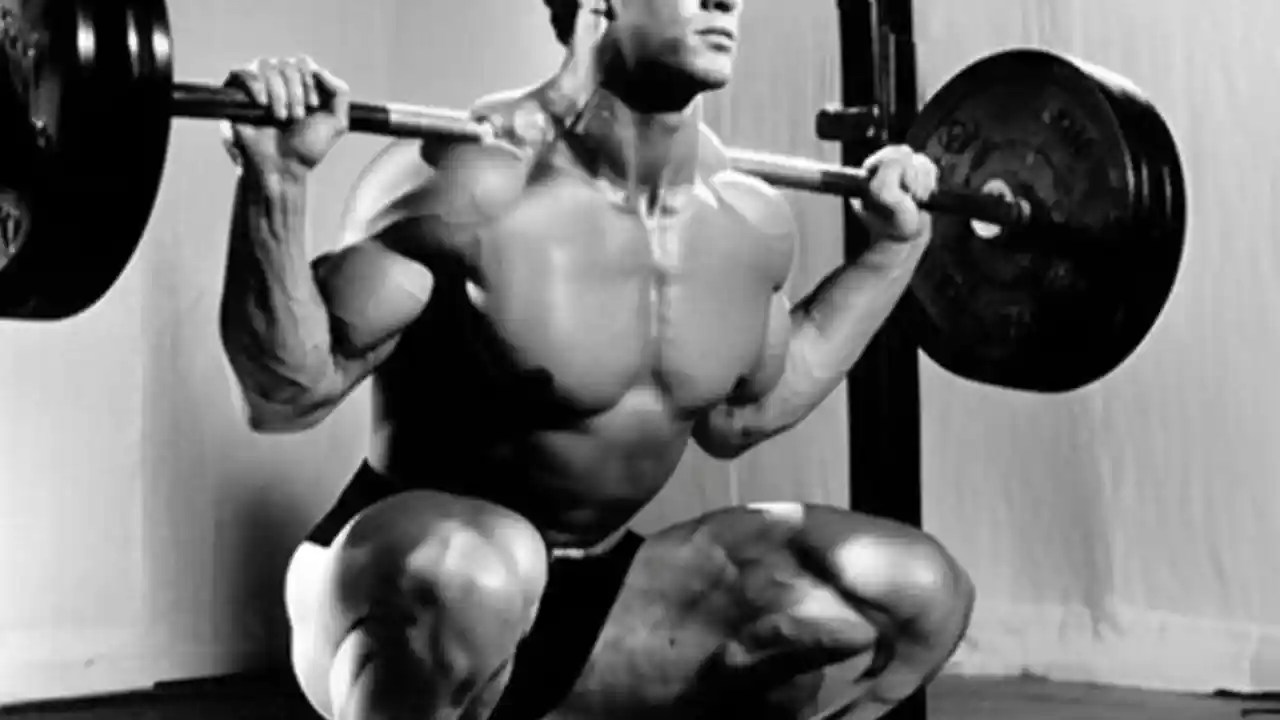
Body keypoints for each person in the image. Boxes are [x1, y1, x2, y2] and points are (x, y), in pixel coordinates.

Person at [217, 0, 974, 718]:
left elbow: (744, 413)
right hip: (410, 589)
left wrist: (892, 255)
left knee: (913, 591)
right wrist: (275, 185)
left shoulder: (743, 217)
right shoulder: (472, 183)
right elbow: (286, 391)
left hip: (601, 603)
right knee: (481, 565)